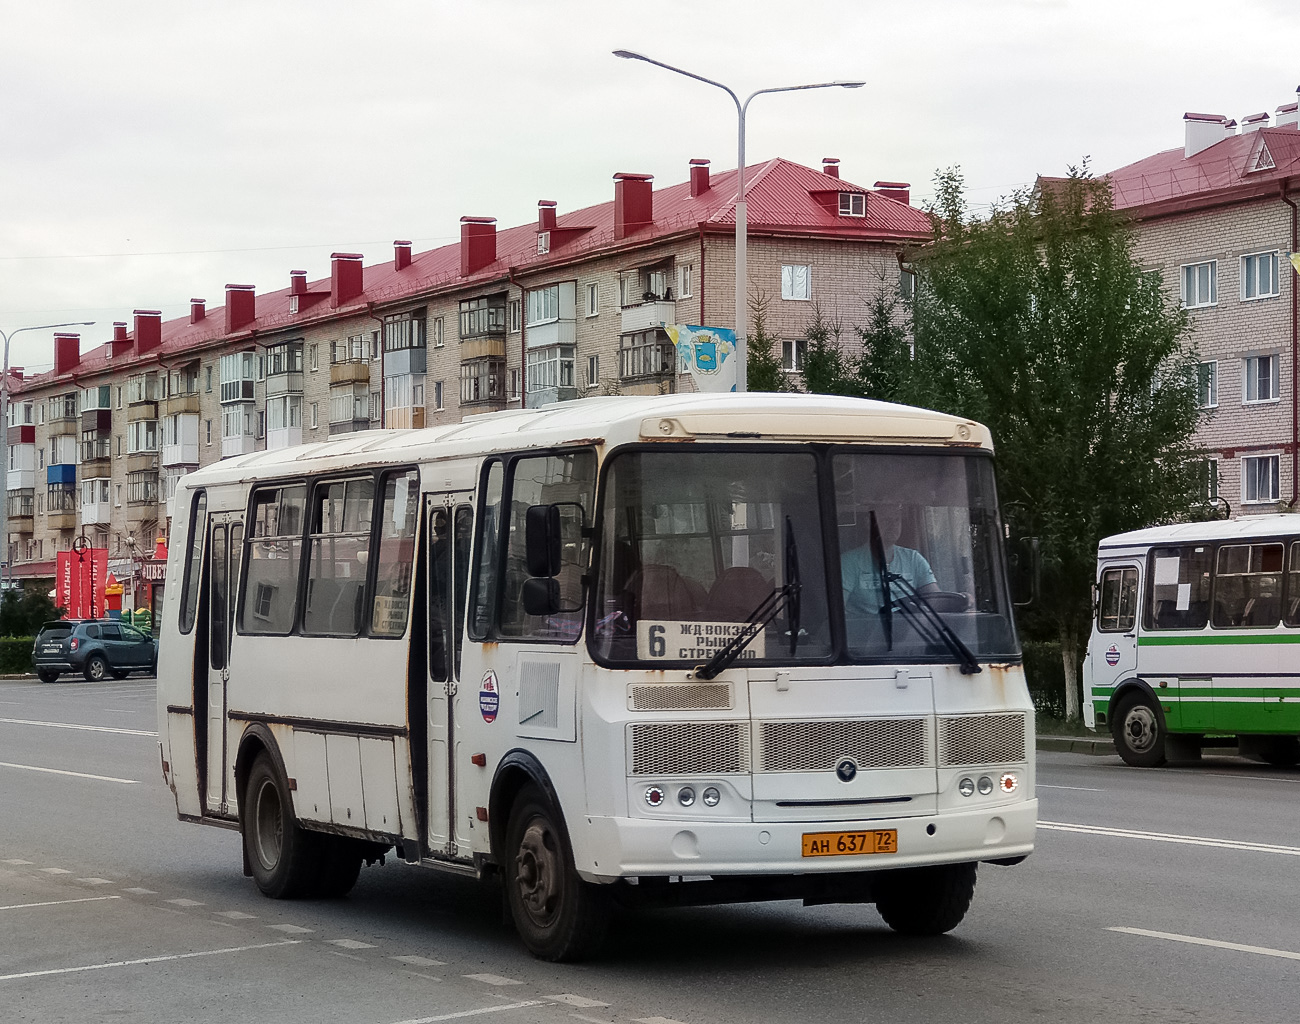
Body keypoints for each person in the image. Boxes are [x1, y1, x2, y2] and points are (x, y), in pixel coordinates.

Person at [841, 504, 938, 615]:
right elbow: (838, 611)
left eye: (897, 520)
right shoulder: (848, 562)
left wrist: (925, 611)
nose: (893, 525)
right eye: (886, 520)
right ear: (869, 522)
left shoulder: (914, 559)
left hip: (911, 629)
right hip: (866, 630)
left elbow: (935, 599)